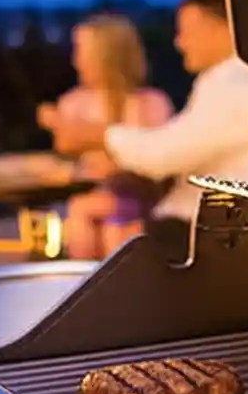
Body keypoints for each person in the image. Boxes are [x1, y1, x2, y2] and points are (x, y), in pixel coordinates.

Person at [46, 0, 248, 261]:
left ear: (223, 28)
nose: (179, 43)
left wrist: (99, 136)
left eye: (187, 32)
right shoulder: (230, 81)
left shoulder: (234, 84)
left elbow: (164, 155)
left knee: (118, 244)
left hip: (199, 231)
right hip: (197, 224)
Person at [37, 14, 173, 259]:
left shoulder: (150, 104)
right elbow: (65, 153)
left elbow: (159, 167)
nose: (75, 61)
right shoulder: (73, 103)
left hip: (137, 210)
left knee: (118, 224)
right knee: (83, 214)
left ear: (108, 55)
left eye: (81, 51)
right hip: (86, 213)